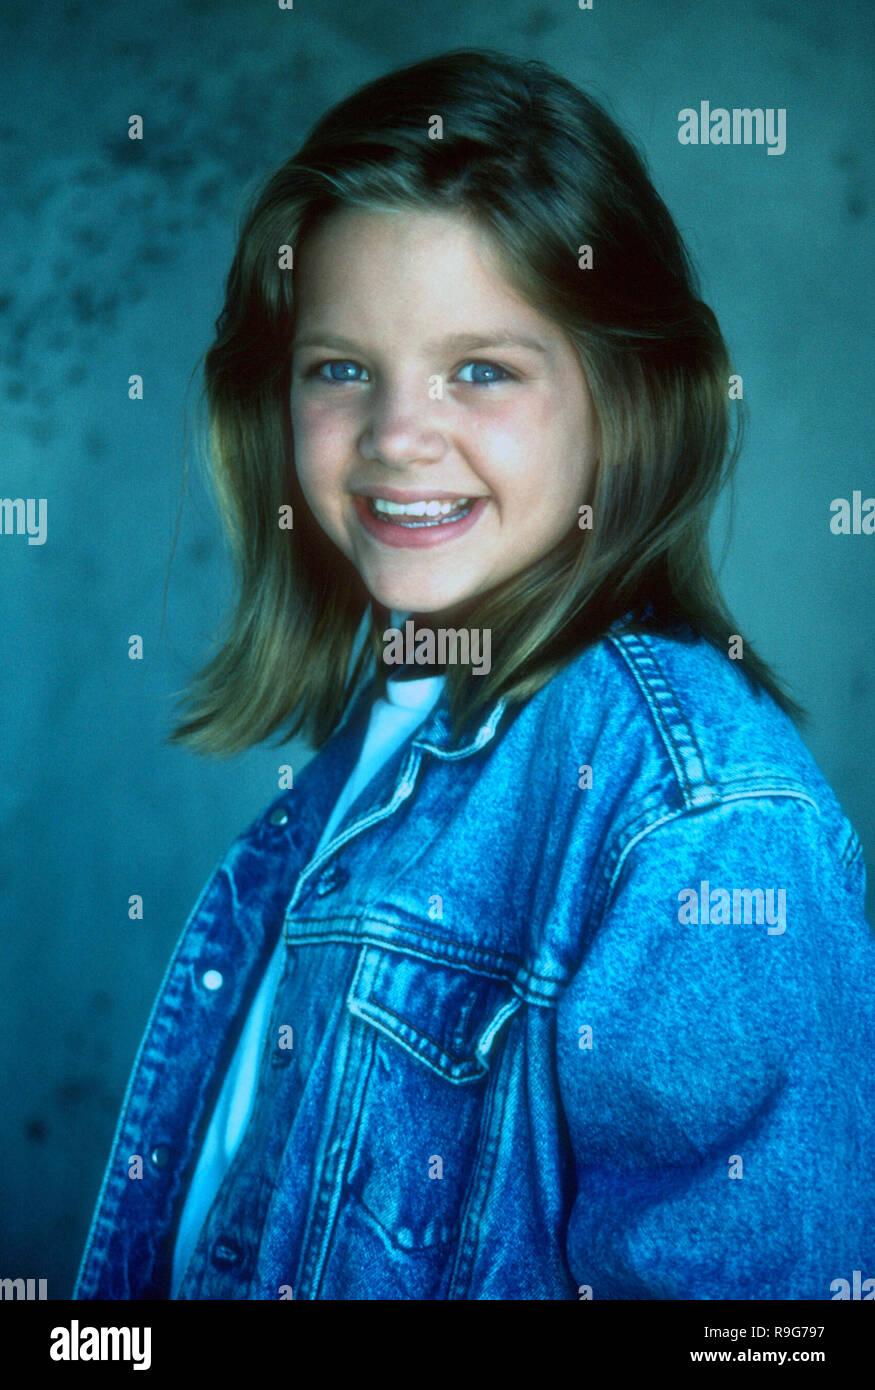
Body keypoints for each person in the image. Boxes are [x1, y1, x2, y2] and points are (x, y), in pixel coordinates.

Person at [74, 49, 874, 1301]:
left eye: (481, 370)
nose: (397, 435)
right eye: (340, 367)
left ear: (624, 399)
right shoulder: (365, 765)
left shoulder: (701, 823)